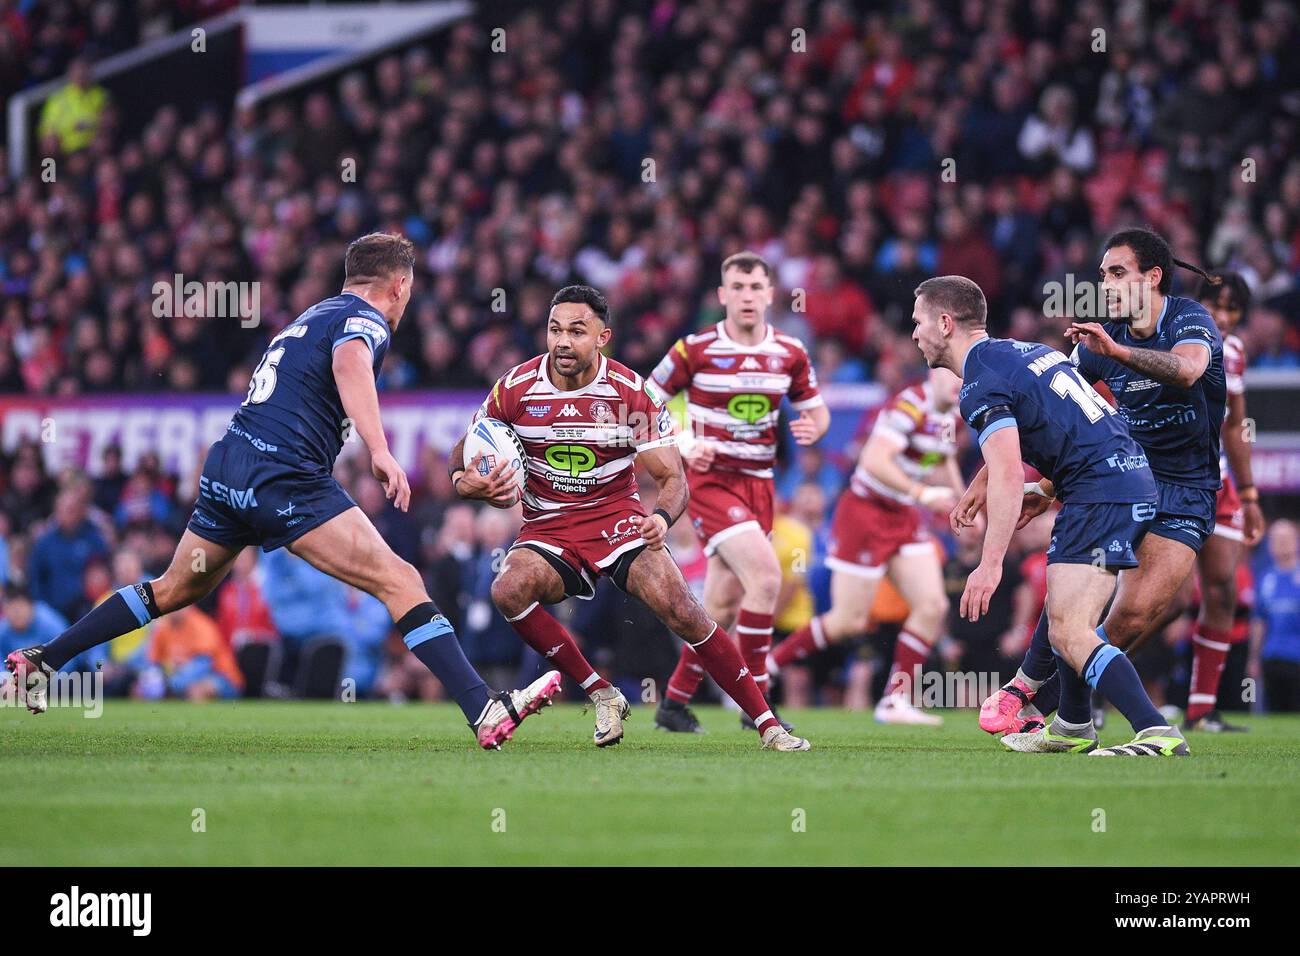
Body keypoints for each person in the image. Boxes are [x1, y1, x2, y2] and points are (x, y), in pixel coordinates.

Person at [6, 233, 559, 749]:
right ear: (399, 286)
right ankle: (483, 709)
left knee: (171, 589)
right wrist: (381, 449)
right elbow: (350, 361)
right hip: (284, 475)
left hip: (230, 467)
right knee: (401, 579)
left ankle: (45, 661)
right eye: (407, 294)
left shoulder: (312, 315)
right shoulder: (365, 320)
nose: (405, 304)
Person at [450, 284, 811, 751]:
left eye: (576, 331)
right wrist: (466, 483)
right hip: (548, 525)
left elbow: (673, 478)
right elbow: (463, 452)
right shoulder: (516, 388)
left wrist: (661, 518)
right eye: (555, 330)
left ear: (602, 337)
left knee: (682, 609)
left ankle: (767, 724)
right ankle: (603, 693)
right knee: (508, 589)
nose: (562, 341)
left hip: (616, 519)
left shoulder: (628, 393)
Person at [915, 274, 1190, 757]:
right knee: (1067, 613)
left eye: (917, 322)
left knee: (1071, 629)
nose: (913, 334)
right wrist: (987, 483)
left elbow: (1006, 472)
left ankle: (1156, 730)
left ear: (944, 322)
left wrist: (990, 563)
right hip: (1124, 481)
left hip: (1099, 492)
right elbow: (1054, 422)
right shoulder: (1022, 352)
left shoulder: (979, 383)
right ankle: (1072, 726)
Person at [973, 228, 1227, 745]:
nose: (1105, 283)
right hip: (1124, 479)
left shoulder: (1187, 319)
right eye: (1102, 274)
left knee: (1128, 617)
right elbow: (1050, 408)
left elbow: (1187, 371)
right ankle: (1062, 715)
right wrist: (1015, 482)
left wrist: (1119, 352)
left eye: (1117, 273)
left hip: (1186, 492)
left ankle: (1053, 707)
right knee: (1076, 600)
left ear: (1152, 277)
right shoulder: (1099, 340)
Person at [645, 252, 830, 733]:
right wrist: (685, 443)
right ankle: (758, 705)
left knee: (722, 605)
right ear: (723, 295)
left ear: (770, 294)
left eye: (755, 287)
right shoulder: (695, 349)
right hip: (711, 483)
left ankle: (672, 704)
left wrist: (815, 427)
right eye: (738, 287)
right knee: (767, 579)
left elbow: (818, 409)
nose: (747, 296)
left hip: (760, 486)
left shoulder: (789, 351)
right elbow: (646, 401)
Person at [767, 368, 963, 725]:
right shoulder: (909, 405)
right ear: (933, 374)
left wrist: (962, 503)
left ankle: (894, 700)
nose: (960, 384)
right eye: (954, 376)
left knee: (932, 605)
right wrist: (923, 493)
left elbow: (944, 457)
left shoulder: (949, 413)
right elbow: (873, 460)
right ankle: (767, 667)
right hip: (865, 513)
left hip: (901, 514)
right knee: (848, 621)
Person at [1180, 273, 1265, 731]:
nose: (1225, 317)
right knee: (1167, 601)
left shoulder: (1233, 353)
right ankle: (1086, 691)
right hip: (1171, 480)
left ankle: (1201, 708)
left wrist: (1250, 494)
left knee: (1223, 589)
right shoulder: (1173, 338)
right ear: (1200, 303)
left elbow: (1235, 426)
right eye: (1217, 305)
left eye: (1233, 309)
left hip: (1220, 482)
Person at [1254, 520, 1300, 712]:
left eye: (1286, 538)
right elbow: (1259, 622)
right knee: (1274, 713)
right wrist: (1254, 659)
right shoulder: (1266, 579)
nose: (1281, 543)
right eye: (1276, 539)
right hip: (1272, 657)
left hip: (1297, 658)